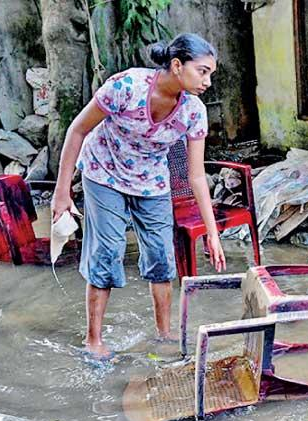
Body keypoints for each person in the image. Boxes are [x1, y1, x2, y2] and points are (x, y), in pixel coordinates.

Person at [50, 33, 227, 359]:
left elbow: (197, 176)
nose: (208, 81)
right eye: (203, 71)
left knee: (161, 254)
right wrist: (61, 194)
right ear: (177, 65)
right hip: (103, 173)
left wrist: (213, 234)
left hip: (151, 182)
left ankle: (164, 334)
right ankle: (94, 340)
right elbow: (77, 130)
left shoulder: (193, 111)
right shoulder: (125, 87)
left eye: (211, 74)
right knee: (108, 250)